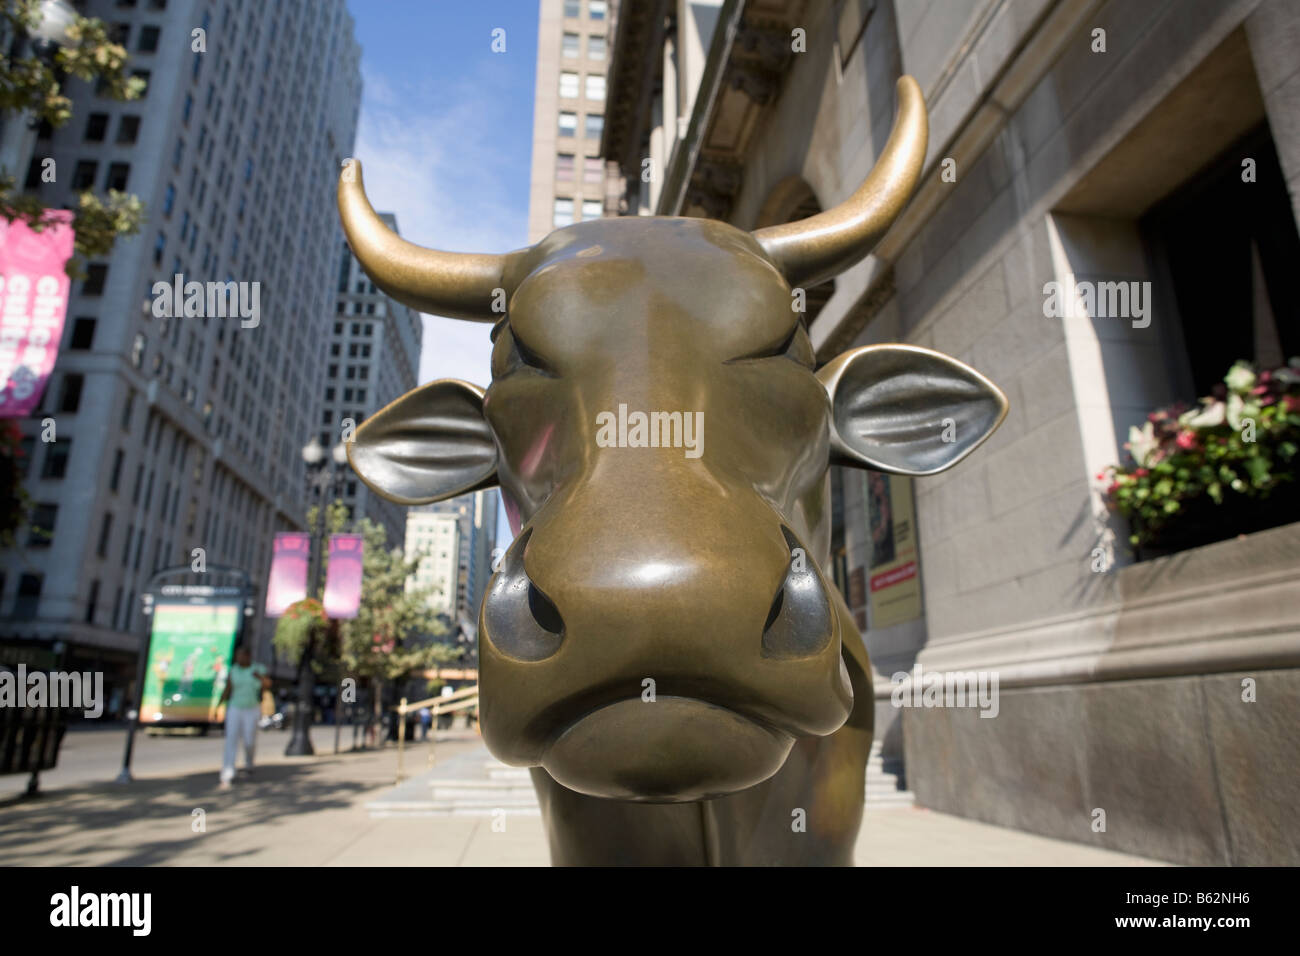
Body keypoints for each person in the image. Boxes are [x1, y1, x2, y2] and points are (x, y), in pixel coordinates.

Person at [215, 646, 270, 790]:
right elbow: (228, 689)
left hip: (252, 708)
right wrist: (218, 707)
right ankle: (227, 773)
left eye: (242, 656)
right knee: (231, 739)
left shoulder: (258, 669)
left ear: (248, 656)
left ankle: (249, 763)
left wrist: (260, 677)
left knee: (249, 740)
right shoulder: (234, 670)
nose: (239, 659)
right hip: (235, 707)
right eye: (237, 656)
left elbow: (268, 684)